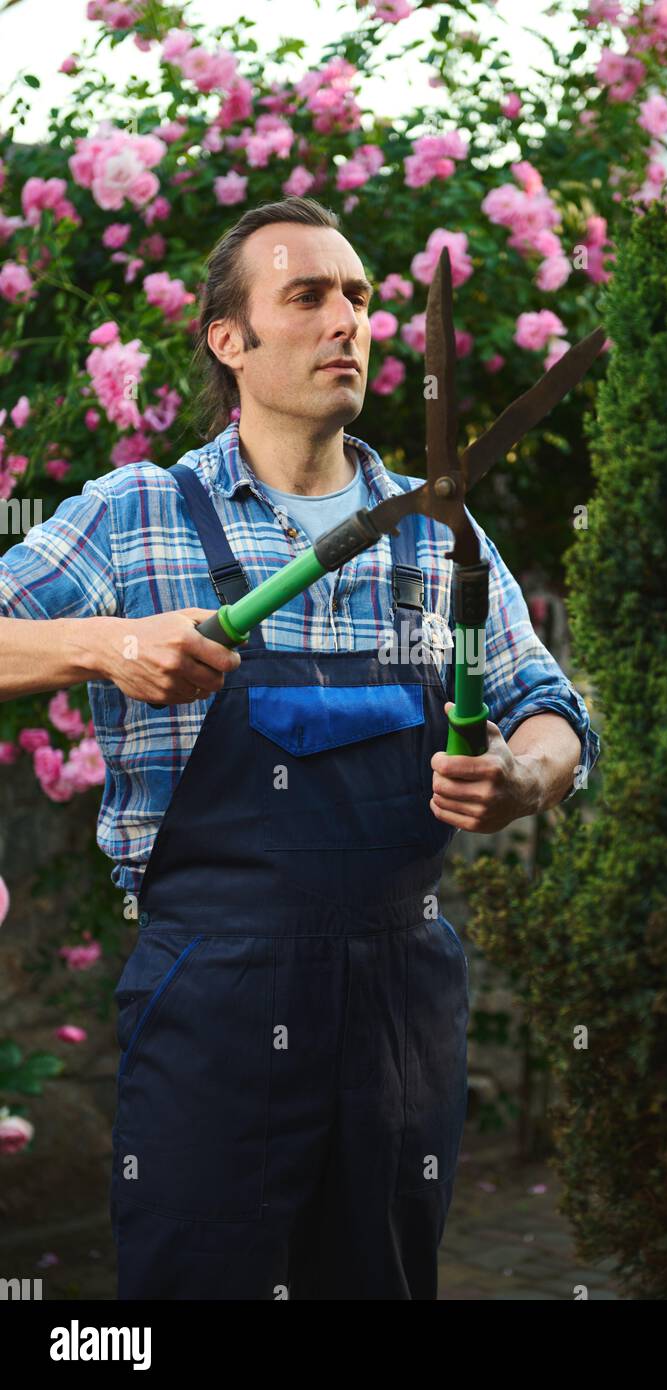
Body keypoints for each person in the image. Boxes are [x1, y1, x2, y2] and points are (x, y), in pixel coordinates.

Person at [0, 195, 599, 1300]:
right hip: (211, 1003)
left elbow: (549, 706)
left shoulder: (437, 531)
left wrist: (527, 774)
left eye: (362, 299)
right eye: (309, 295)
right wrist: (112, 642)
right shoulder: (137, 516)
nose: (349, 322)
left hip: (401, 1016)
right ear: (229, 340)